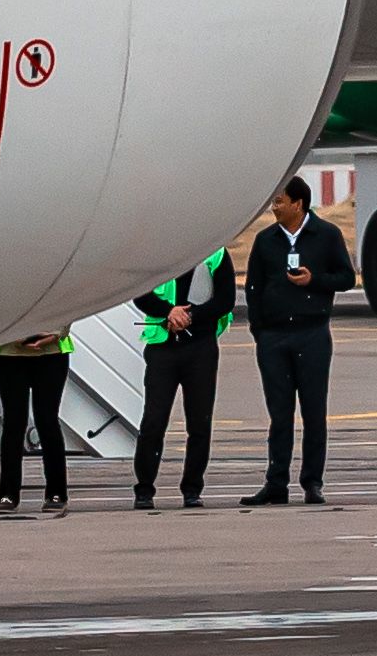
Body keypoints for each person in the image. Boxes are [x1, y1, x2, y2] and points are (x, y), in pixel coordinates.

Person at [240, 176, 352, 505]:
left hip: (312, 333)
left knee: (314, 412)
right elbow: (253, 287)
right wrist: (260, 331)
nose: (274, 208)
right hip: (274, 337)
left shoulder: (327, 235)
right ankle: (276, 482)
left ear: (297, 204)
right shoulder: (265, 240)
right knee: (280, 414)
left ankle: (312, 482)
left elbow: (346, 277)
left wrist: (315, 281)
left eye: (279, 201)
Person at [131, 235, 230, 507]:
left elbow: (225, 299)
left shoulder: (215, 252)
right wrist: (168, 312)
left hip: (200, 347)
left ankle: (192, 488)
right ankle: (144, 488)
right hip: (163, 346)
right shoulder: (154, 249)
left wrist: (190, 317)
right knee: (153, 420)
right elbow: (139, 294)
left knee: (199, 422)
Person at [0, 320, 74, 514]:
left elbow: (70, 305)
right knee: (13, 422)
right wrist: (10, 334)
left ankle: (56, 492)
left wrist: (55, 332)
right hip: (10, 353)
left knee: (47, 420)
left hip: (52, 353)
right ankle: (8, 493)